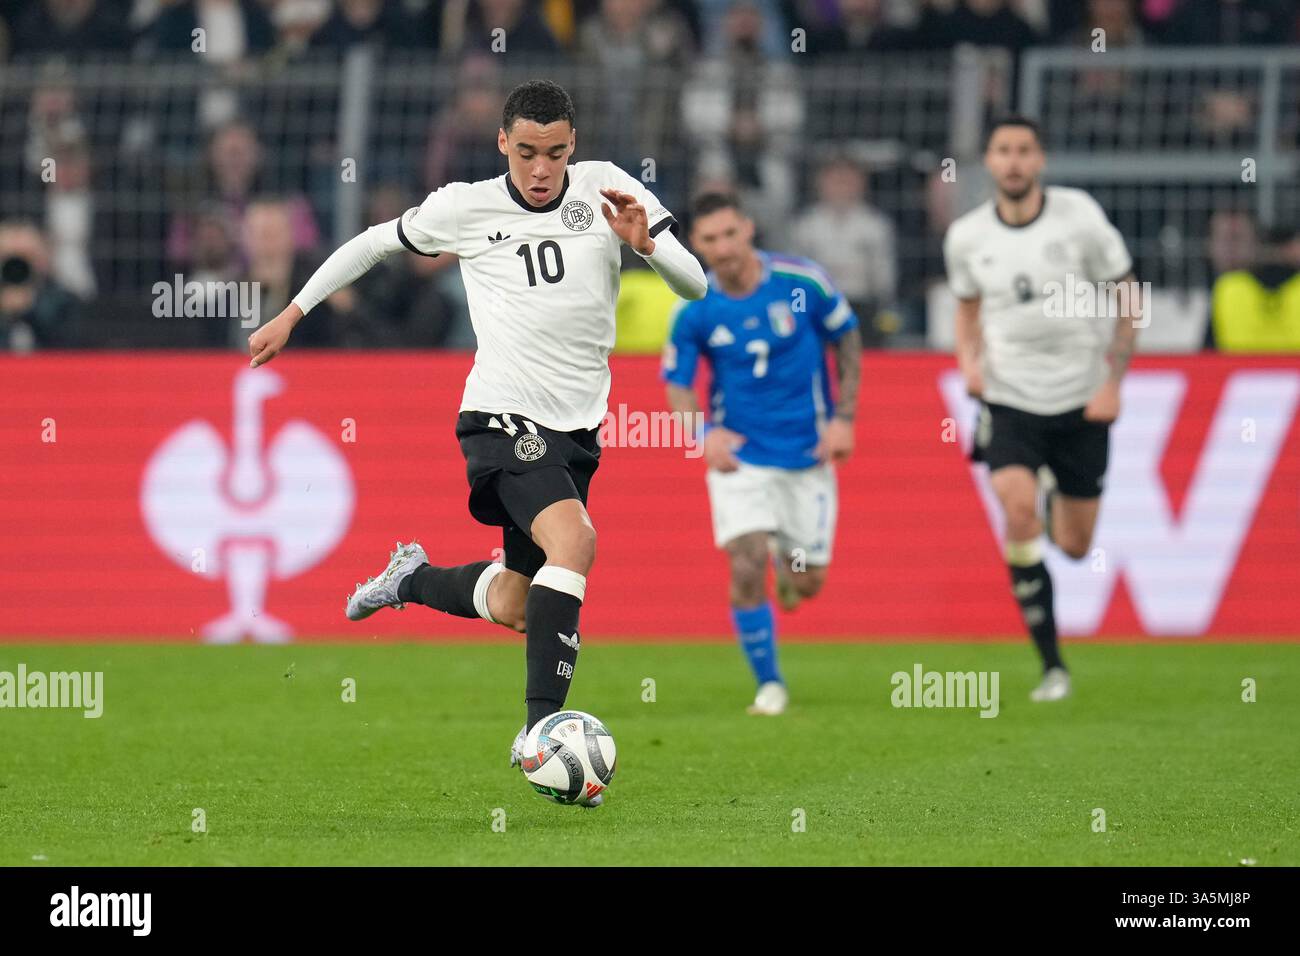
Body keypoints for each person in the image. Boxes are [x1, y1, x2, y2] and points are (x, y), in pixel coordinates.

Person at [246, 80, 707, 800]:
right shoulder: (465, 206)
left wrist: (649, 246)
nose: (540, 168)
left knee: (524, 604)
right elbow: (373, 243)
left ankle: (411, 578)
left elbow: (697, 285)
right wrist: (293, 313)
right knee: (576, 544)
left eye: (554, 153)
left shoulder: (608, 190)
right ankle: (540, 734)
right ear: (503, 143)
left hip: (577, 431)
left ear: (572, 146)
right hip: (499, 418)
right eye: (526, 152)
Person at [943, 115, 1141, 702]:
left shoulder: (1078, 216)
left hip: (1082, 397)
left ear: (1041, 160)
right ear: (989, 161)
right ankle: (1052, 664)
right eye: (1002, 150)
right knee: (1016, 507)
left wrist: (1114, 381)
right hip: (1010, 400)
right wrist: (968, 363)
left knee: (1076, 546)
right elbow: (967, 306)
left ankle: (1057, 494)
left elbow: (1128, 293)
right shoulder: (967, 236)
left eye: (1024, 150)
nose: (1013, 161)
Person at [663, 191, 862, 716]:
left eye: (730, 233)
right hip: (741, 456)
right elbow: (678, 383)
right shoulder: (693, 305)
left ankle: (789, 565)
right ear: (696, 246)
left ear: (749, 229)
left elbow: (847, 340)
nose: (723, 248)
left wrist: (843, 419)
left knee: (805, 581)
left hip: (808, 453)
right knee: (747, 561)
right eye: (709, 239)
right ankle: (769, 684)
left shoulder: (803, 283)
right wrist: (702, 434)